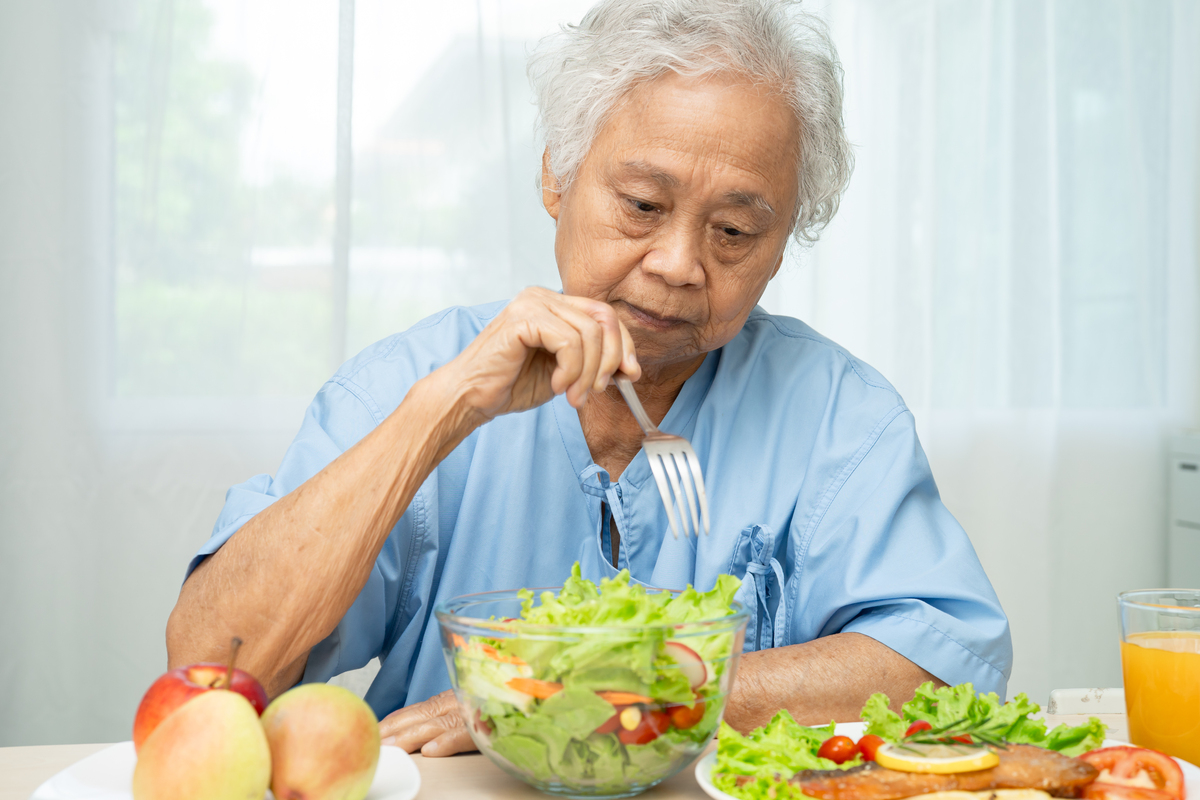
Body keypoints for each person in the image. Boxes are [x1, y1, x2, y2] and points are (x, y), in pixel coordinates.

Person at [166, 0, 1012, 758]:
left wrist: (587, 695)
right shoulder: (412, 381)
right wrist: (445, 412)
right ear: (555, 178)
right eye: (643, 205)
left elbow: (941, 669)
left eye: (733, 231)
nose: (680, 264)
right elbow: (215, 667)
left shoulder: (838, 416)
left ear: (783, 243)